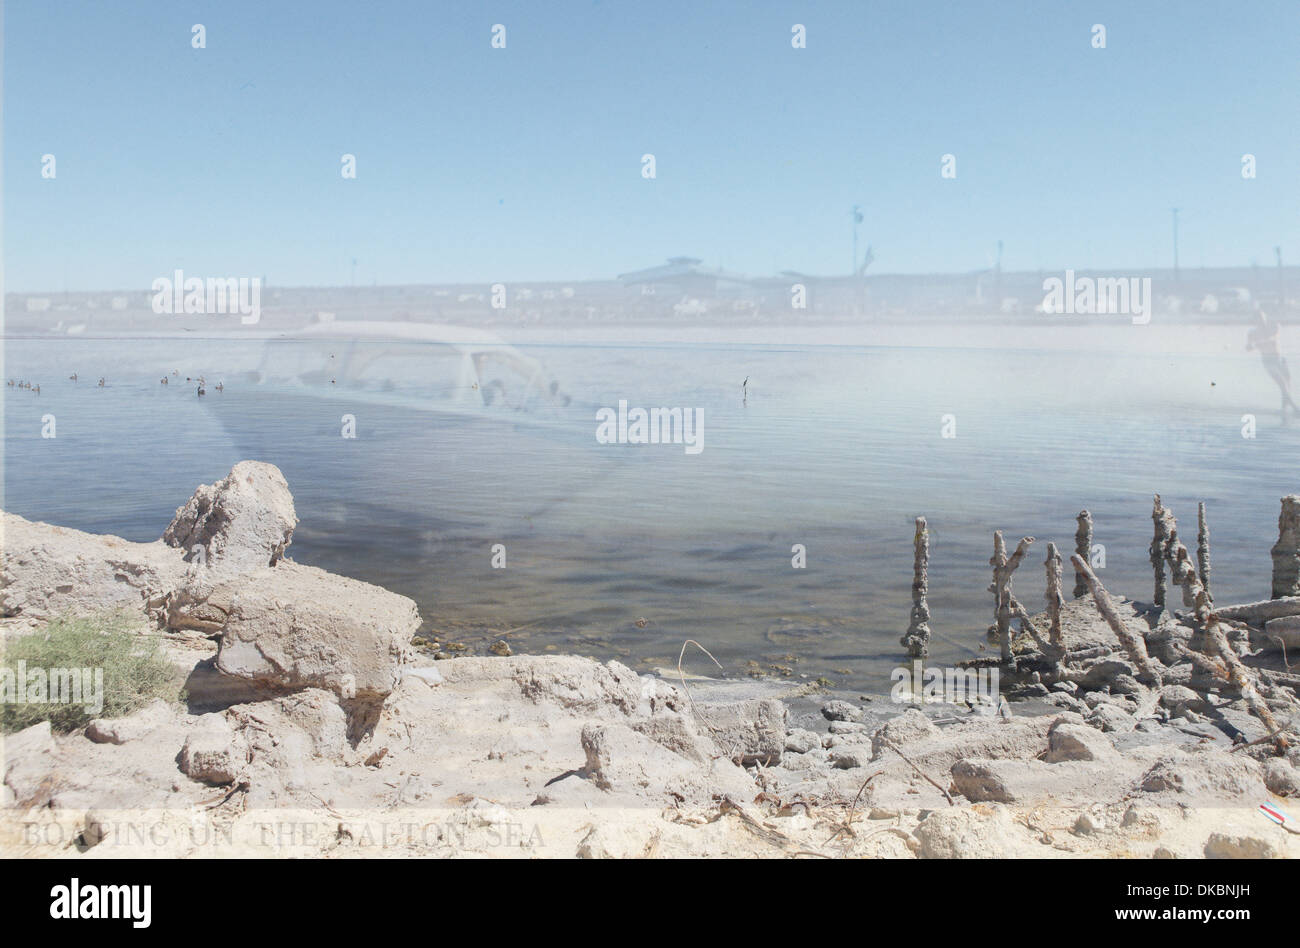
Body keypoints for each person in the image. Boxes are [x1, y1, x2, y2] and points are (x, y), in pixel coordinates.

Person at [1248, 311, 1300, 422]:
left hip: (1280, 358)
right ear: (1255, 321)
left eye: (1263, 318)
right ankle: (1295, 408)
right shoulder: (1253, 333)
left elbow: (1274, 338)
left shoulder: (1274, 326)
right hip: (1268, 361)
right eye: (1259, 319)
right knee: (1283, 383)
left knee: (1287, 383)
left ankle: (1284, 408)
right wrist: (1250, 346)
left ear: (1266, 317)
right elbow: (1248, 347)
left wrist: (1258, 343)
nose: (1262, 321)